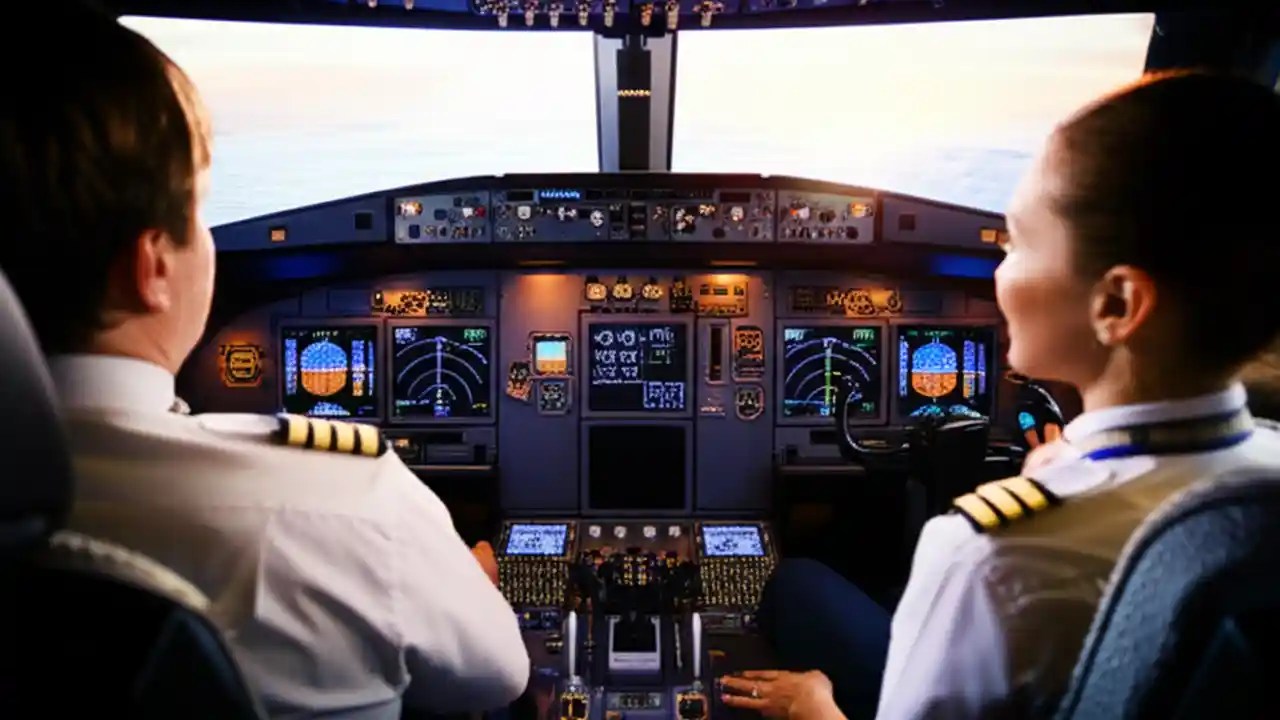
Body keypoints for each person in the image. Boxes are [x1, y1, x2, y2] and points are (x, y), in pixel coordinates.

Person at [0, 8, 528, 719]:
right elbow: (500, 678)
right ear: (152, 267)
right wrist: (469, 580)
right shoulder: (350, 503)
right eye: (199, 209)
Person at [720, 70, 1280, 719]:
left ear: (1118, 302)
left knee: (797, 579)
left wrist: (816, 710)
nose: (996, 272)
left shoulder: (989, 554)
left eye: (1015, 243)